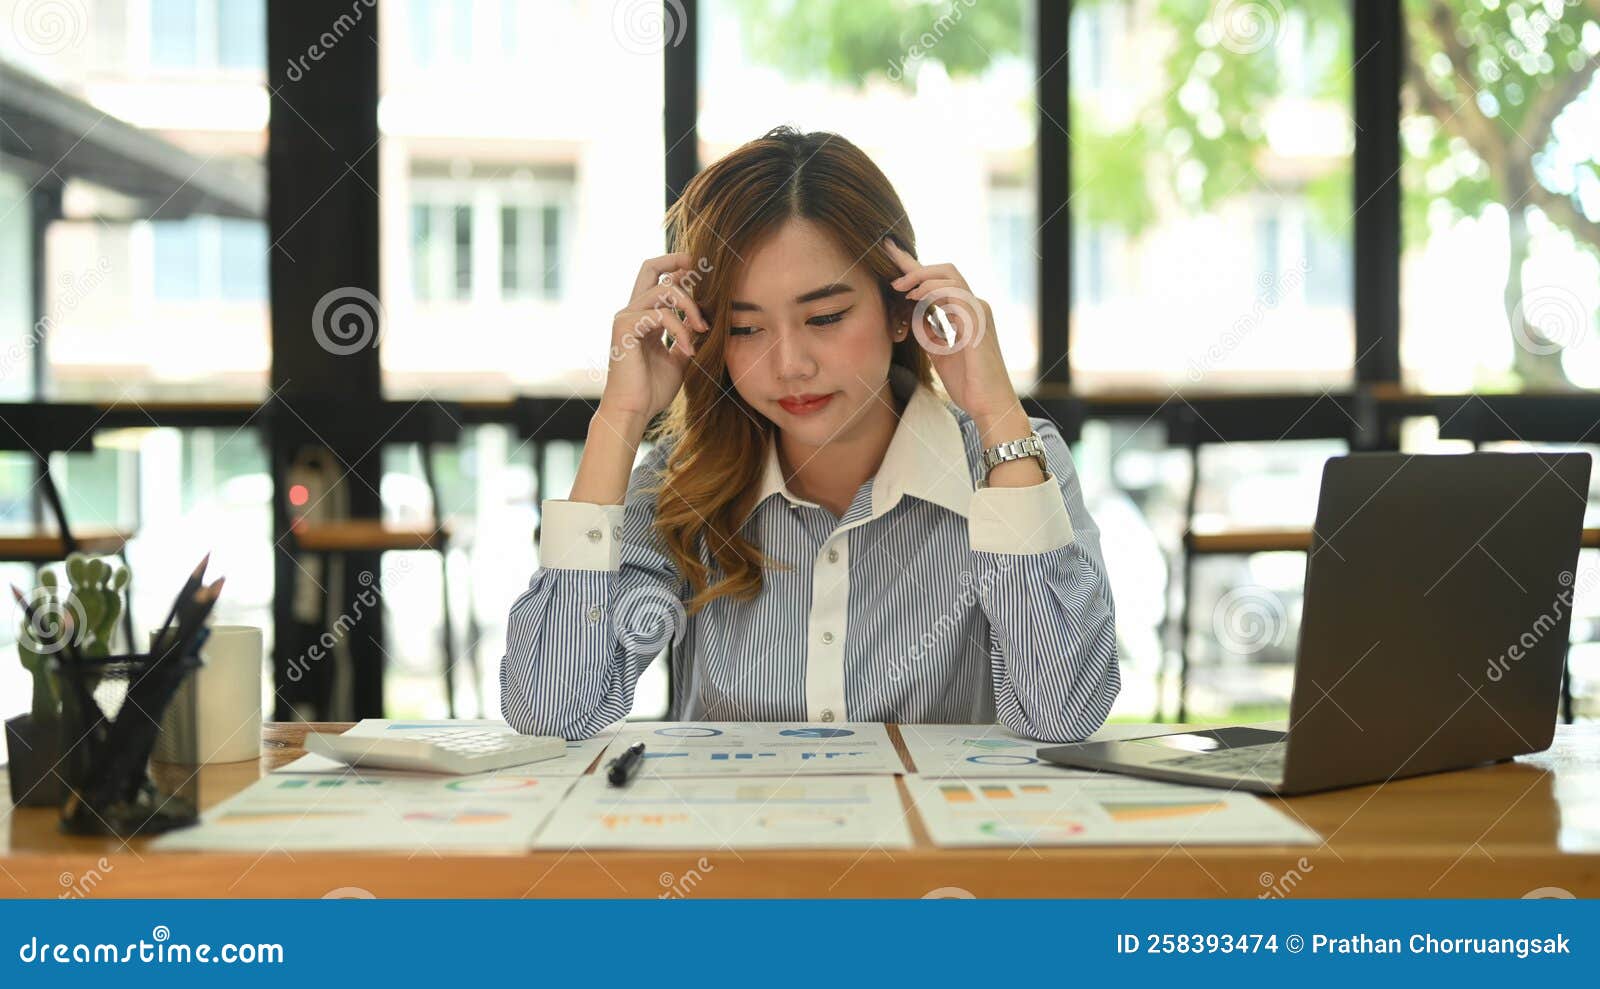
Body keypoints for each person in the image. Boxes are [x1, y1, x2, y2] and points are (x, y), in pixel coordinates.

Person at [501, 126, 1118, 742]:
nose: (790, 364)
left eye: (825, 317)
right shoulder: (681, 482)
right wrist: (622, 417)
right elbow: (551, 712)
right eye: (745, 329)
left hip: (934, 836)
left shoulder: (1011, 463)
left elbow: (1060, 715)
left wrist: (995, 410)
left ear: (902, 311)